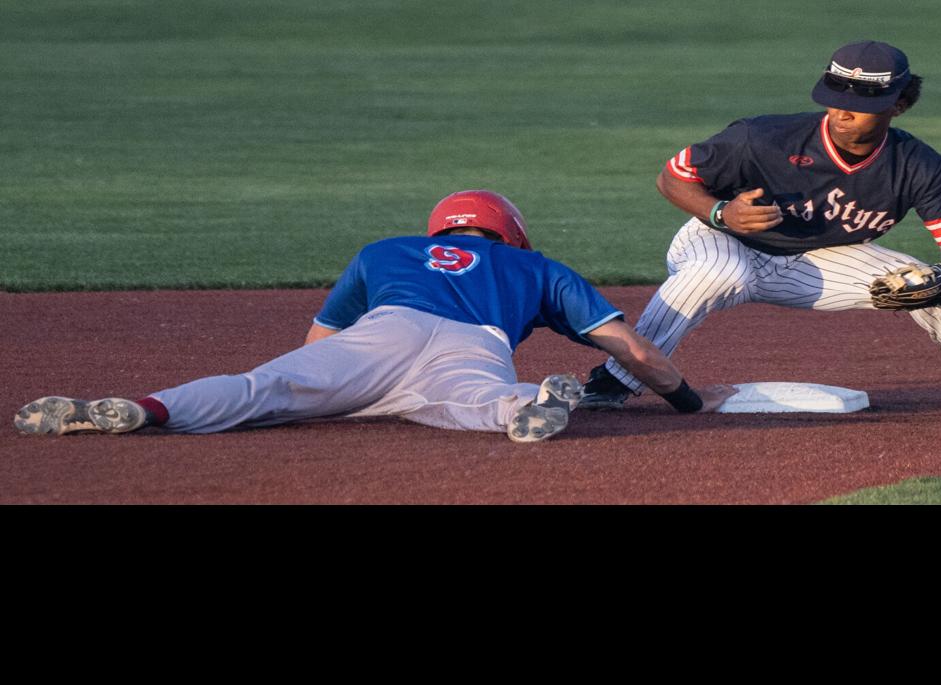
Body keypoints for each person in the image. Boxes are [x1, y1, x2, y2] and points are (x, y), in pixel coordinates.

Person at [576, 40, 941, 412]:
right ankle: (618, 377)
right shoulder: (760, 137)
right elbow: (673, 176)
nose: (841, 111)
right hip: (721, 241)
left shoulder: (921, 166)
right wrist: (720, 212)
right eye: (835, 95)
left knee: (925, 285)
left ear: (898, 105)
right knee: (717, 274)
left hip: (817, 263)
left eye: (861, 102)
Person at [14, 190, 733, 443]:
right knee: (474, 403)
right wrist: (683, 399)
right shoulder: (536, 267)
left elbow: (319, 340)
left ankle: (148, 408)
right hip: (476, 344)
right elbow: (634, 349)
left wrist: (336, 387)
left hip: (380, 332)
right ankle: (529, 402)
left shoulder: (386, 250)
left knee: (266, 388)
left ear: (438, 229)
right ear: (510, 234)